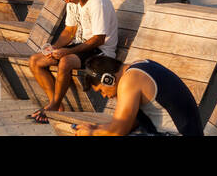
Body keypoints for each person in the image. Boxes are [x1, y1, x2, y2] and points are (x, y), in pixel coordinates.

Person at [26, 0, 119, 124]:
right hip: (81, 46)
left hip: (101, 50)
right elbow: (69, 31)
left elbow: (99, 39)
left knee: (66, 61)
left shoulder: (98, 2)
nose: (67, 1)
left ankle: (53, 106)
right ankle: (56, 105)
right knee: (35, 61)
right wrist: (54, 47)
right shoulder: (73, 2)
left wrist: (68, 51)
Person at [72, 55, 203, 136]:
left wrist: (91, 133)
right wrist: (96, 128)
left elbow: (117, 132)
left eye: (101, 90)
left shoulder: (130, 80)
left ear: (108, 79)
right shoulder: (139, 66)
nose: (105, 96)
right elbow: (130, 122)